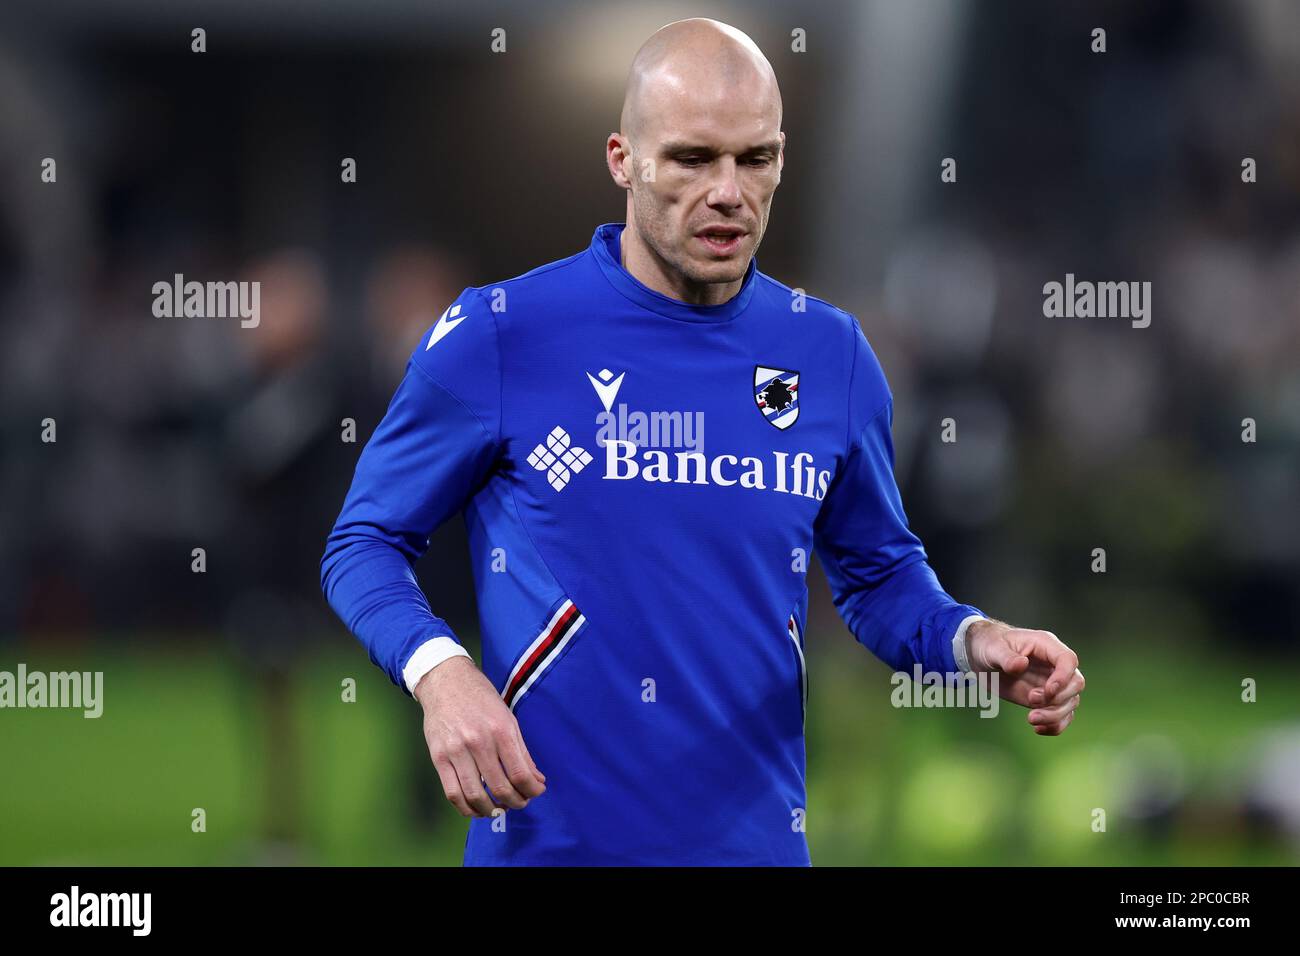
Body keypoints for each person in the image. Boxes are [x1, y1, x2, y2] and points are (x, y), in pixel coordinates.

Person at [321, 17, 1084, 865]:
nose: (728, 190)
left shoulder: (827, 355)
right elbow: (364, 542)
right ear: (623, 160)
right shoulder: (503, 335)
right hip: (548, 850)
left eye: (755, 159)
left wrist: (970, 641)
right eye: (691, 159)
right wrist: (441, 674)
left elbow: (879, 578)